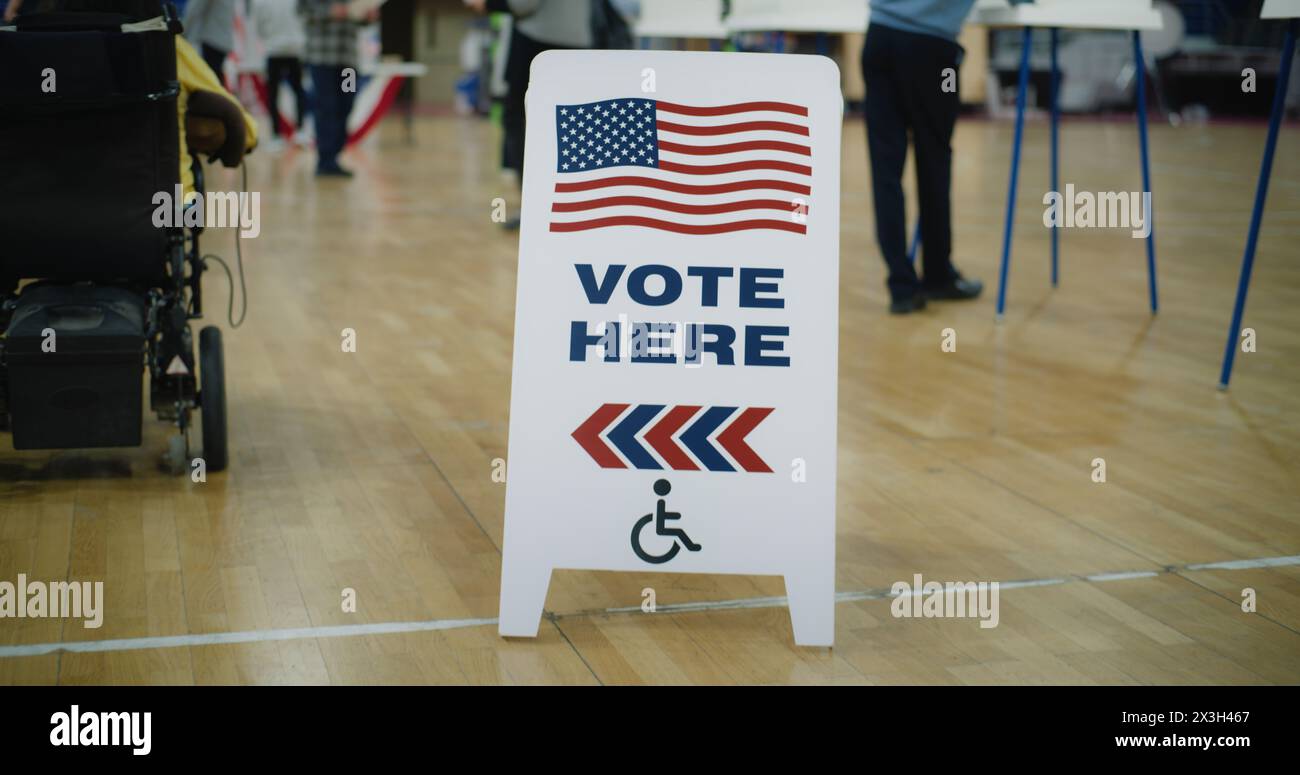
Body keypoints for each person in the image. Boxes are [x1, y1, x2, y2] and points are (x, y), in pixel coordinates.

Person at [863, 0, 1010, 314]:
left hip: (879, 38)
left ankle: (901, 287)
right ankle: (938, 275)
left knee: (885, 169)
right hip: (932, 48)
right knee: (934, 160)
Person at [467, 0, 595, 227]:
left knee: (520, 121)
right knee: (568, 126)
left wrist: (487, 4)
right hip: (577, 37)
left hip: (537, 40)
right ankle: (572, 206)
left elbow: (524, 4)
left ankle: (534, 208)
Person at [298, 0, 375, 177]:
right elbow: (302, 11)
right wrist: (329, 11)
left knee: (347, 104)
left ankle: (335, 154)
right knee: (326, 107)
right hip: (321, 58)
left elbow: (358, 18)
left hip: (348, 61)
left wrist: (367, 18)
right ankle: (325, 160)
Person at [254, 0, 308, 150]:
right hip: (291, 49)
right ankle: (298, 132)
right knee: (296, 91)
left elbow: (260, 27)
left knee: (276, 94)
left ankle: (278, 135)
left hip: (279, 49)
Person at [183, 0, 237, 83]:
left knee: (208, 80)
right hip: (223, 39)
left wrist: (182, 32)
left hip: (211, 40)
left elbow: (194, 10)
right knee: (214, 78)